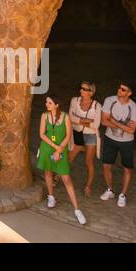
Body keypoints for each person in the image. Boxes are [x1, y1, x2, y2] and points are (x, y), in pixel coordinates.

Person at [37, 94, 86, 224]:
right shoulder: (44, 116)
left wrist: (59, 149)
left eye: (50, 103)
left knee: (66, 178)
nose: (47, 104)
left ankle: (77, 209)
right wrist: (55, 147)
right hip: (47, 148)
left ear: (57, 105)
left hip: (61, 149)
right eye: (47, 102)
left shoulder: (65, 117)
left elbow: (68, 135)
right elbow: (42, 134)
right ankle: (51, 196)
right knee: (48, 172)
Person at [99, 81, 136, 207]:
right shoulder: (109, 100)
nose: (119, 90)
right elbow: (103, 122)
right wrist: (123, 126)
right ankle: (110, 189)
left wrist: (112, 120)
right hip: (109, 138)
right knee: (106, 166)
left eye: (123, 89)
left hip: (126, 142)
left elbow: (132, 130)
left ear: (129, 93)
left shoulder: (134, 108)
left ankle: (123, 195)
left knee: (127, 168)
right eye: (119, 88)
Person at [67, 81, 101, 196]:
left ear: (91, 92)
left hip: (90, 135)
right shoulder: (74, 100)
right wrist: (86, 121)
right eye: (81, 88)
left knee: (89, 162)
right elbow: (70, 117)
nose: (81, 90)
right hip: (77, 133)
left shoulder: (97, 105)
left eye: (85, 89)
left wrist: (79, 120)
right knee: (69, 158)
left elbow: (96, 125)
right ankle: (57, 177)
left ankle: (88, 186)